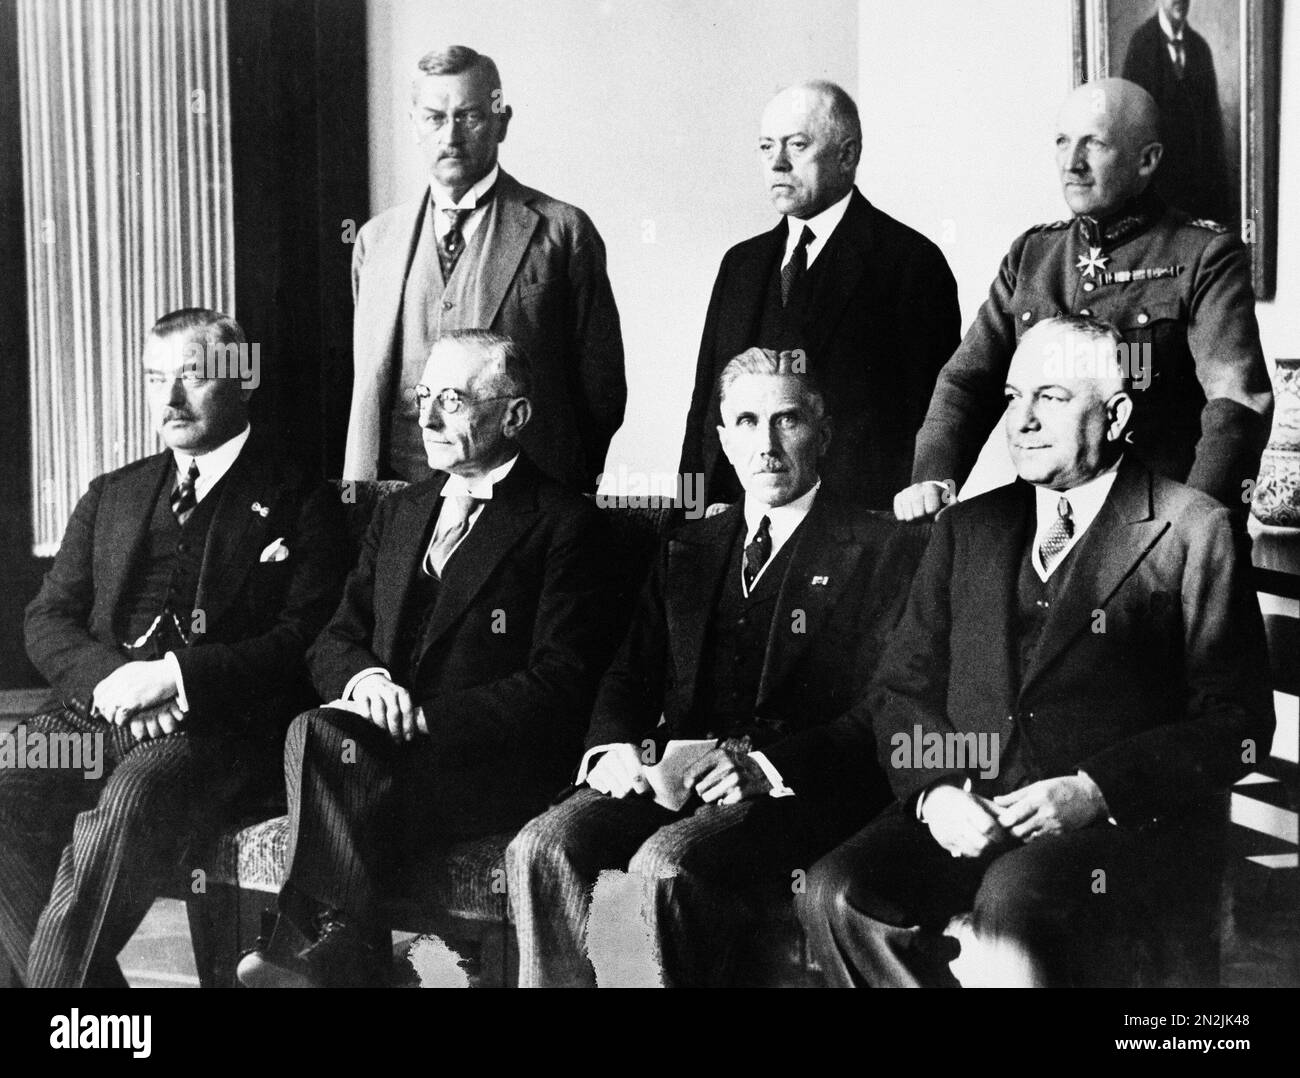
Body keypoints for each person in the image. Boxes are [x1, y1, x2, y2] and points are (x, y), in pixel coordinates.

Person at [802, 316, 1273, 987]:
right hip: (969, 805)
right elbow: (900, 688)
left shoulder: (1193, 531)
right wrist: (936, 792)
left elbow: (1237, 721)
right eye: (1012, 398)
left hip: (1114, 829)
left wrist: (1093, 790)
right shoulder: (968, 527)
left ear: (1114, 415)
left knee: (1014, 904)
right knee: (837, 890)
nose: (1019, 421)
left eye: (1049, 398)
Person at [509, 348, 926, 987]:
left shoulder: (882, 549)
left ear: (824, 433)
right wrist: (611, 748)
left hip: (793, 790)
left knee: (664, 865)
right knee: (543, 846)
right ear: (725, 440)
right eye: (748, 423)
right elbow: (629, 669)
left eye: (787, 421)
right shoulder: (690, 542)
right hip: (672, 779)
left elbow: (882, 706)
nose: (768, 444)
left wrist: (764, 769)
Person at [238, 330, 619, 987]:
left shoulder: (564, 523)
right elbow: (336, 636)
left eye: (454, 399)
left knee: (321, 740)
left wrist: (420, 719)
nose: (429, 417)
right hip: (374, 749)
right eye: (423, 397)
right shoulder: (403, 510)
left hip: (488, 764)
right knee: (320, 731)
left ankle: (335, 953)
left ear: (514, 415)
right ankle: (341, 952)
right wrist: (367, 679)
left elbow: (561, 681)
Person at [0, 308, 348, 988]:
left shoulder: (301, 498)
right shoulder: (115, 493)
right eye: (156, 378)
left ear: (243, 380)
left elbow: (303, 639)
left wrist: (176, 678)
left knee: (133, 796)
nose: (168, 399)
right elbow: (47, 618)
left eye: (190, 377)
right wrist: (114, 681)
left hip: (211, 729)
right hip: (88, 720)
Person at [899, 78, 1271, 522]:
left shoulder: (1203, 255)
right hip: (1045, 520)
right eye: (1062, 142)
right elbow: (967, 381)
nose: (1072, 164)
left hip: (1151, 520)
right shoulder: (1032, 255)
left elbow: (1238, 405)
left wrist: (1192, 529)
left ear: (1147, 160)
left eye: (1094, 144)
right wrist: (935, 477)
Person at [344, 45, 625, 492]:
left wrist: (560, 487)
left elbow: (602, 388)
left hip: (524, 503)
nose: (450, 136)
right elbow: (370, 384)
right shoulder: (375, 241)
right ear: (414, 125)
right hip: (400, 498)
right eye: (435, 117)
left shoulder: (563, 230)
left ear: (502, 121)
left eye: (469, 116)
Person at [677, 80, 960, 511]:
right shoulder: (741, 264)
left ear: (847, 155)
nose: (777, 164)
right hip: (733, 528)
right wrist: (689, 520)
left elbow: (933, 420)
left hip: (853, 539)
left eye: (797, 145)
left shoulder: (910, 264)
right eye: (766, 147)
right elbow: (704, 414)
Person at [1122, 0, 1229, 224]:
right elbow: (1131, 123)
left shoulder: (1200, 48)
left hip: (1196, 186)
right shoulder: (1141, 45)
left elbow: (1212, 125)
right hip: (1156, 184)